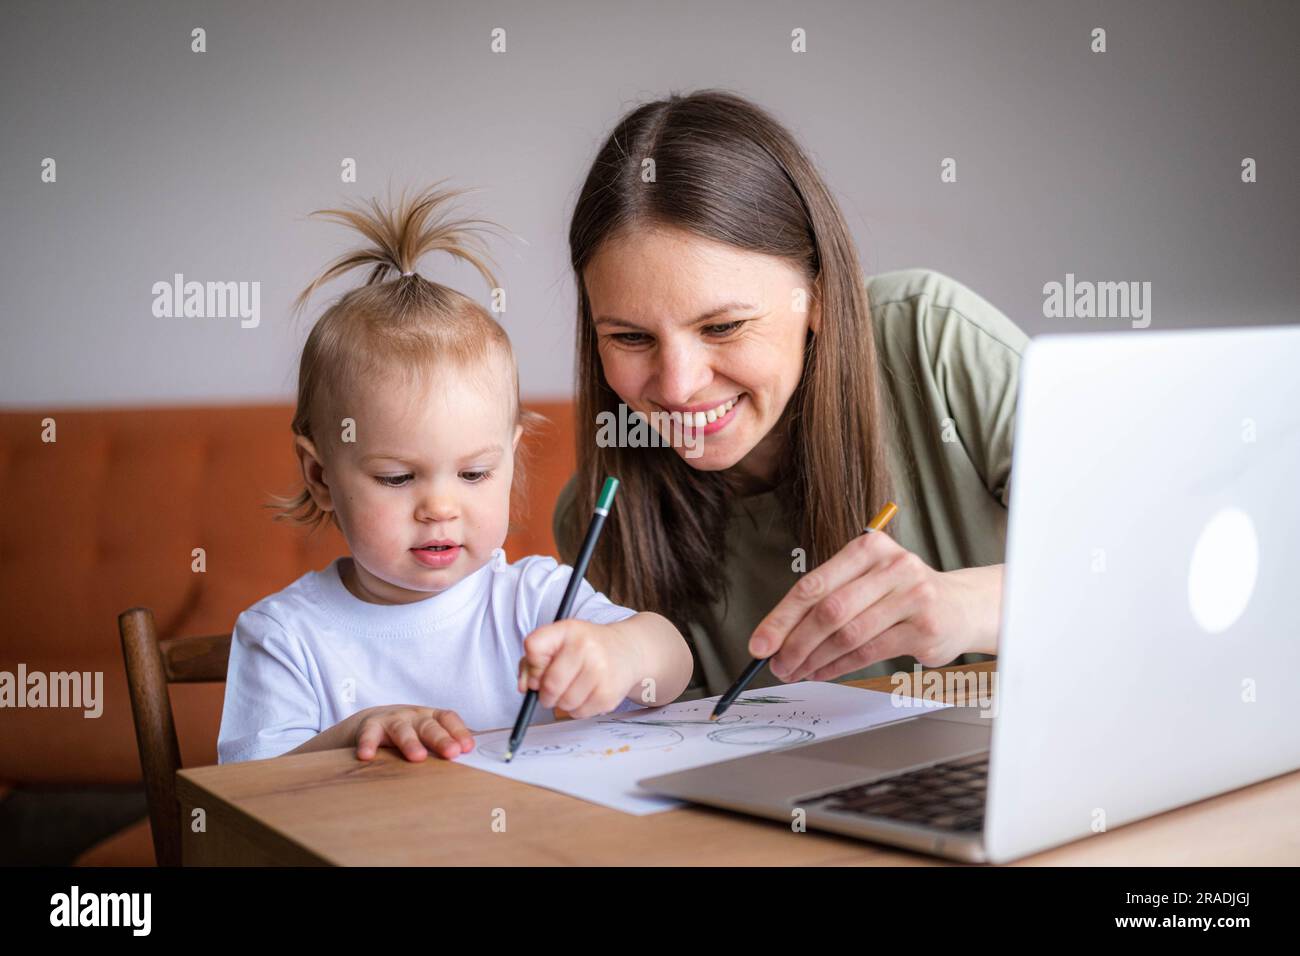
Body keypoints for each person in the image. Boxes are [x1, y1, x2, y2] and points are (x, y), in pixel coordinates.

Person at [554, 91, 1027, 698]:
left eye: (723, 327)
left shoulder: (932, 337)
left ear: (819, 296)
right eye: (630, 337)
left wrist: (962, 605)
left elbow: (1142, 562)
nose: (677, 387)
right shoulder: (594, 519)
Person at [218, 185, 692, 764]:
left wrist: (623, 655)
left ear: (511, 459)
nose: (440, 508)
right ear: (319, 474)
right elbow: (246, 802)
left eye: (474, 473)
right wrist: (353, 733)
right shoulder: (284, 637)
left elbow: (672, 664)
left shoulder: (533, 599)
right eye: (396, 478)